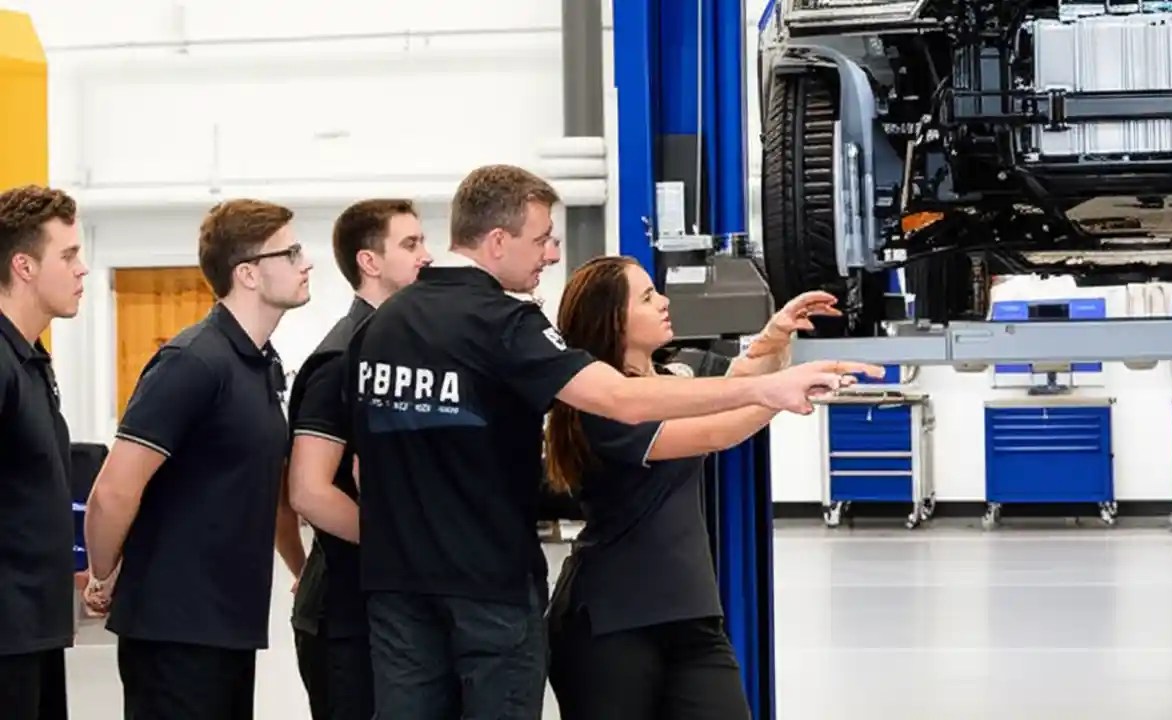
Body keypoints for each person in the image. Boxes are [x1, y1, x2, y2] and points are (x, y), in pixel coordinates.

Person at [348, 163, 859, 719]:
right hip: (489, 585)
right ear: (497, 241)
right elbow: (622, 399)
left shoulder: (382, 326)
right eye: (541, 239)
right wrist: (773, 388)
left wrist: (769, 354)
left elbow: (361, 468)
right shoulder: (503, 322)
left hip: (397, 584)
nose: (549, 254)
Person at [542, 256, 882, 719]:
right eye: (646, 297)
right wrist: (783, 396)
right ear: (614, 319)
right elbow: (715, 432)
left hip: (689, 612)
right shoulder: (604, 407)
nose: (664, 302)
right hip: (611, 620)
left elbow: (737, 383)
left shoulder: (675, 375)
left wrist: (777, 333)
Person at [82, 199, 313, 719]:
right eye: (292, 252)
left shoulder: (259, 365)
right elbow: (113, 491)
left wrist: (301, 564)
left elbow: (267, 493)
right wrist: (103, 575)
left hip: (227, 627)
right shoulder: (193, 362)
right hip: (174, 632)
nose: (307, 262)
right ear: (248, 273)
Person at [281, 198, 430, 720]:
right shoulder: (341, 358)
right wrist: (409, 544)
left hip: (394, 605)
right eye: (411, 244)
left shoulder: (403, 349)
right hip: (346, 618)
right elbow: (307, 491)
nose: (426, 256)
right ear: (369, 262)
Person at [0, 185, 88, 720]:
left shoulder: (32, 359)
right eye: (69, 255)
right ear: (24, 266)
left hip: (36, 629)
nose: (82, 269)